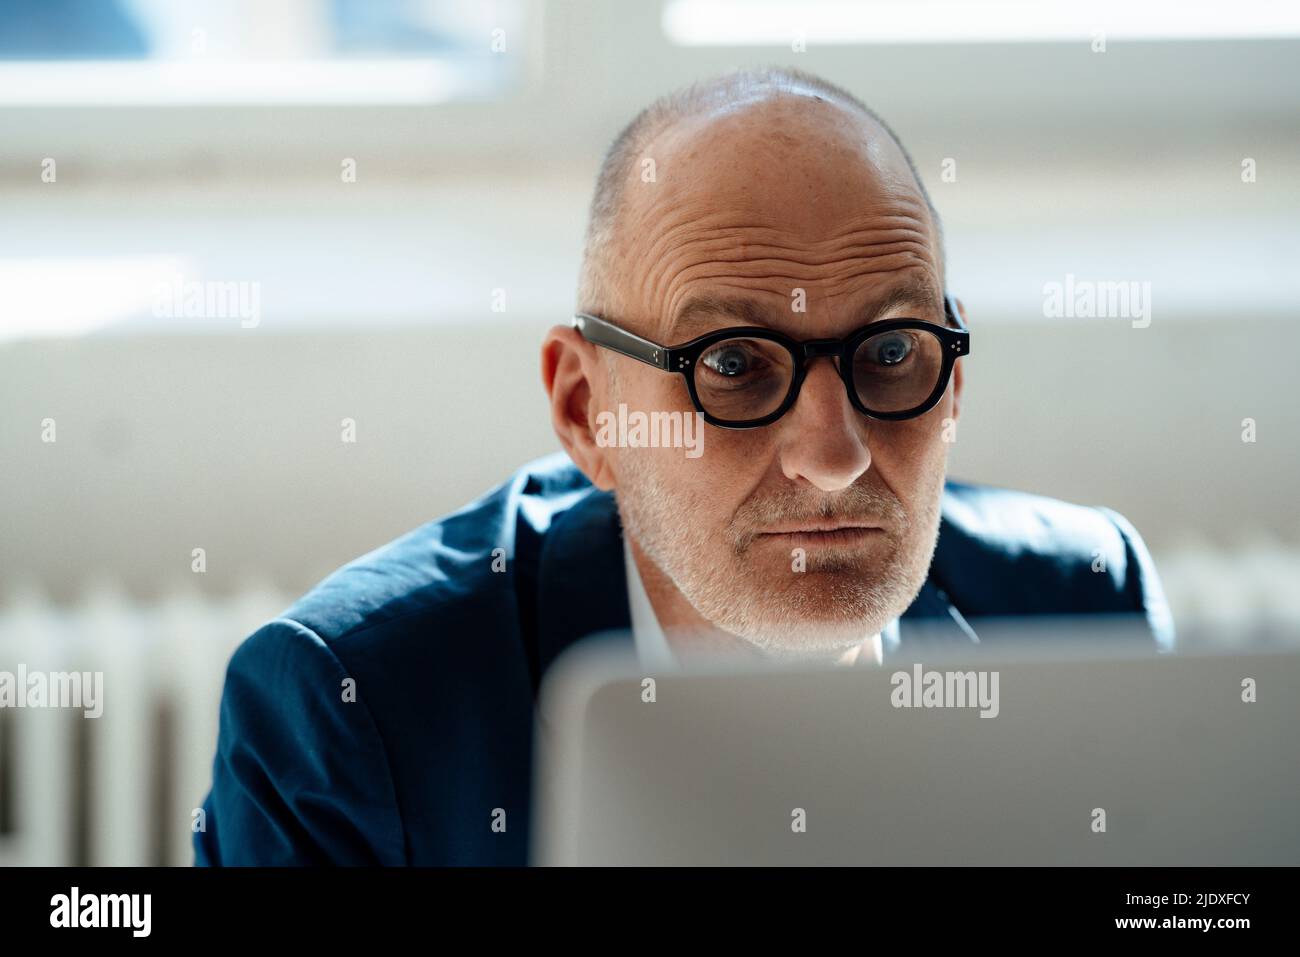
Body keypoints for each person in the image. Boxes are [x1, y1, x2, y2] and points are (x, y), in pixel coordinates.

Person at [194, 67, 1172, 866]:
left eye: (887, 353)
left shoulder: (1082, 607)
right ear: (588, 411)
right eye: (733, 367)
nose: (834, 456)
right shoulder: (358, 710)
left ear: (952, 384)